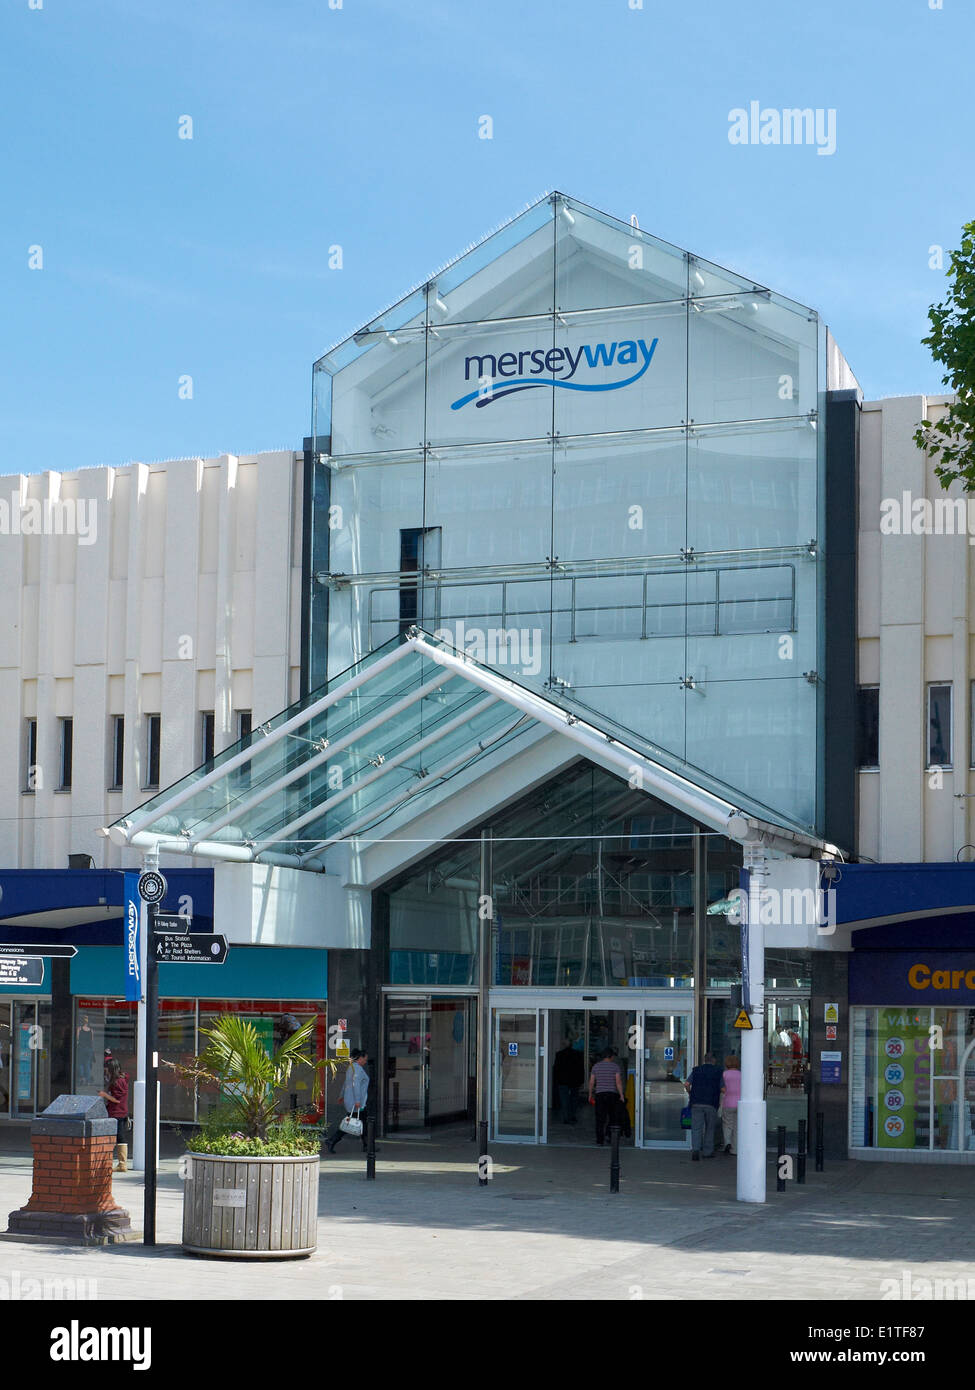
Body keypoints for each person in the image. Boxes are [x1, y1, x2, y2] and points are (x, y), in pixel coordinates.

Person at [325, 1049, 370, 1153]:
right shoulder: (357, 1069)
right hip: (356, 1102)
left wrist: (342, 1095)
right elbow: (356, 1085)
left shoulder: (351, 1068)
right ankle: (332, 1140)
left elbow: (346, 1083)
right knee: (351, 1124)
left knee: (361, 1123)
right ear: (360, 1058)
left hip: (351, 1100)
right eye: (365, 1059)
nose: (366, 1061)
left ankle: (367, 1145)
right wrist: (358, 1101)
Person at [684, 1051, 724, 1160]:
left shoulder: (696, 1070)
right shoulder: (718, 1071)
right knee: (709, 1128)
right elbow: (723, 1089)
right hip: (711, 1103)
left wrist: (690, 1093)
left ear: (704, 1060)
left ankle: (696, 1150)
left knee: (696, 1128)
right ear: (714, 1060)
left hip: (696, 1102)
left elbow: (687, 1084)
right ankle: (707, 1152)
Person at [98, 1055, 130, 1172]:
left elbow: (117, 1099)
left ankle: (122, 1164)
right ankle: (121, 1163)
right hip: (118, 1112)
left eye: (106, 1068)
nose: (104, 1070)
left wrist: (104, 1095)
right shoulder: (121, 1079)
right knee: (118, 1136)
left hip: (117, 1112)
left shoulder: (118, 1082)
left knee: (119, 1136)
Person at [588, 1047, 624, 1146]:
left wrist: (590, 1094)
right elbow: (618, 1082)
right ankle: (609, 1135)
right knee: (612, 1117)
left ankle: (600, 1140)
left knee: (600, 1119)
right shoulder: (615, 1066)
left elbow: (591, 1082)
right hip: (612, 1095)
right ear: (611, 1056)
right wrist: (621, 1095)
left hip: (599, 1095)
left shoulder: (596, 1066)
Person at [553, 1038, 584, 1124]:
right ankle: (572, 1115)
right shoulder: (578, 1054)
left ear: (563, 1045)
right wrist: (581, 1081)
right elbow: (581, 1068)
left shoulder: (559, 1054)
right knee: (574, 1099)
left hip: (563, 1081)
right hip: (575, 1081)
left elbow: (556, 1069)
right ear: (571, 1045)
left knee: (564, 1100)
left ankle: (566, 1117)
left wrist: (557, 1080)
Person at [720, 1054, 741, 1155]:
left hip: (728, 1102)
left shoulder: (724, 1074)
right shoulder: (742, 1075)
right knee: (737, 1126)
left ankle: (727, 1143)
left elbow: (721, 1089)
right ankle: (735, 1149)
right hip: (740, 1104)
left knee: (727, 1125)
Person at [75, 1013, 95, 1085]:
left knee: (80, 1064)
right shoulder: (91, 1030)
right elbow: (91, 1041)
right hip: (89, 1049)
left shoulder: (79, 1029)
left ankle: (82, 1078)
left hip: (81, 1048)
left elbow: (77, 1038)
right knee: (87, 1064)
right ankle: (88, 1080)